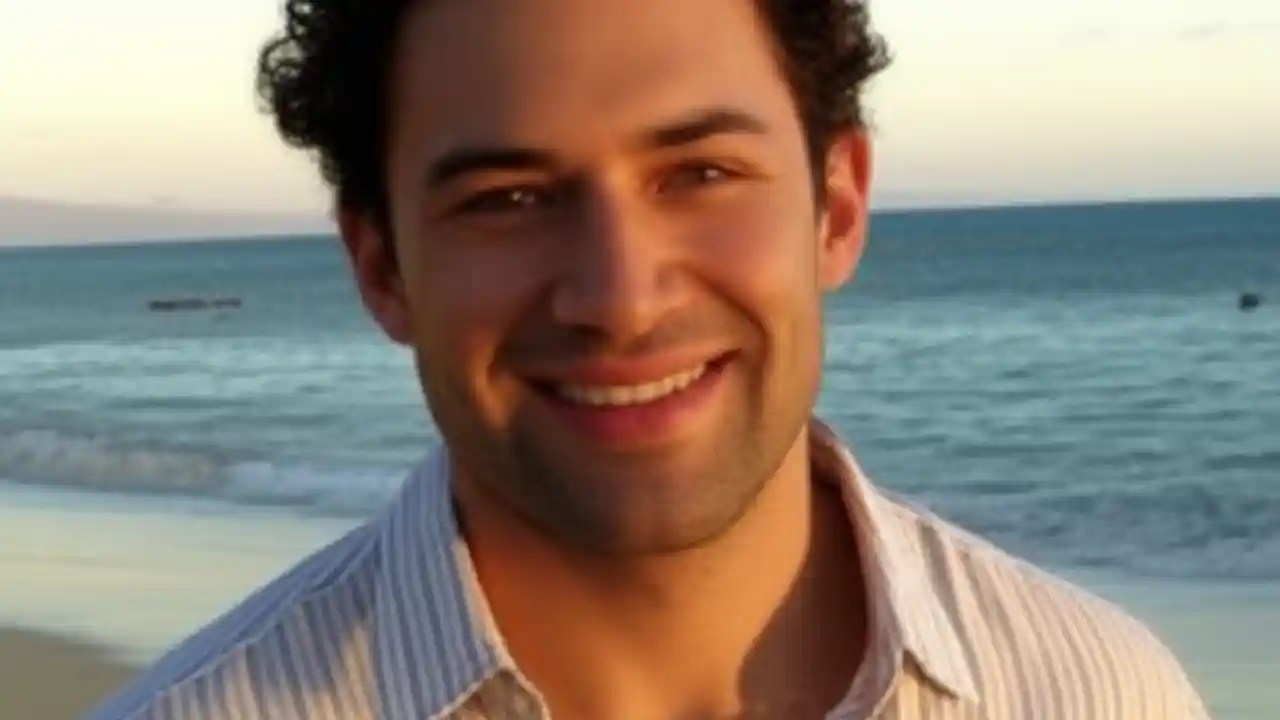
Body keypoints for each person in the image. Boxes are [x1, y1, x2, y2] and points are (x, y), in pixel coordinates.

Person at [92, 0, 1209, 718]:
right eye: (508, 200)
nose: (619, 299)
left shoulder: (1093, 692)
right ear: (382, 268)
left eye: (700, 174)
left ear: (835, 206)